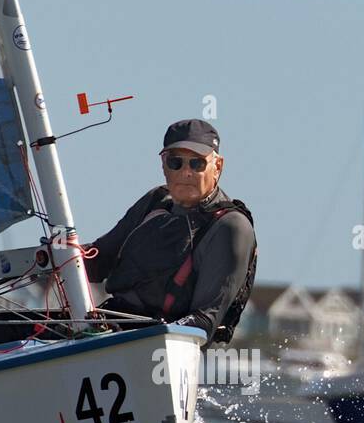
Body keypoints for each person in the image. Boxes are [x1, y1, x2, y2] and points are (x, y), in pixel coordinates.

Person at [84, 119, 256, 344]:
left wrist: (150, 337)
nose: (186, 172)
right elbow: (97, 262)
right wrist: (57, 255)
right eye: (176, 162)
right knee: (23, 328)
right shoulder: (156, 200)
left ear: (218, 167)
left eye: (197, 164)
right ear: (163, 165)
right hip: (110, 326)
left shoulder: (230, 226)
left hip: (162, 346)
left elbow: (205, 321)